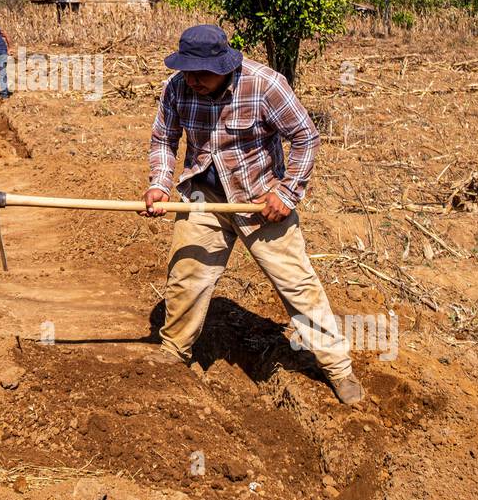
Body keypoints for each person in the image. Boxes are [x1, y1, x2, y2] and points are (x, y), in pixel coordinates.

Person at [141, 24, 363, 405]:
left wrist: (287, 192)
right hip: (202, 197)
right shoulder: (176, 88)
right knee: (186, 277)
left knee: (297, 284)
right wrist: (160, 183)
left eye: (201, 73)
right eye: (187, 71)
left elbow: (306, 137)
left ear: (224, 64)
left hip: (259, 200)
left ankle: (339, 369)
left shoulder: (264, 85)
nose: (192, 80)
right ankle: (174, 356)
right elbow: (164, 138)